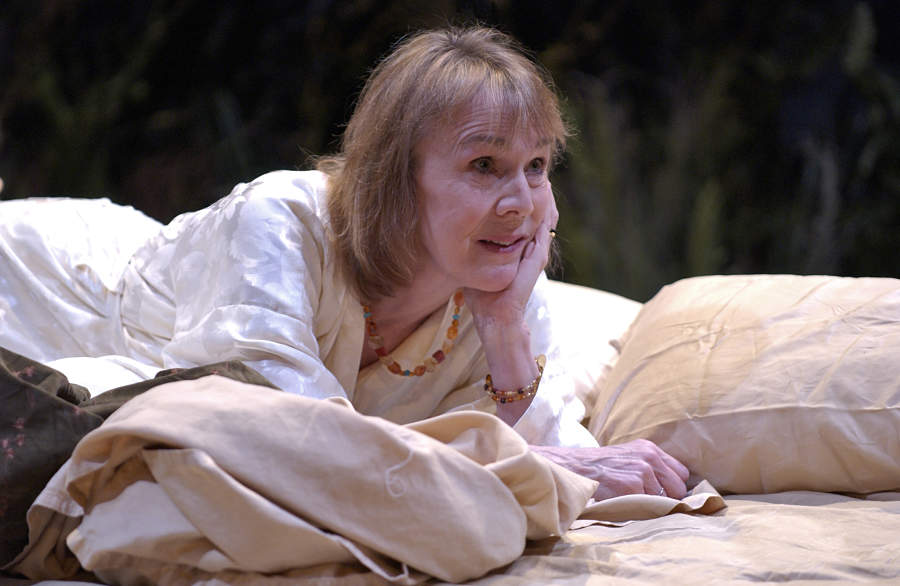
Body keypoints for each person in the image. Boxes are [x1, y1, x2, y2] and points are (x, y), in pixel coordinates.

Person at [0, 26, 687, 500]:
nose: (522, 203)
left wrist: (506, 331)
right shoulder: (278, 223)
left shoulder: (498, 280)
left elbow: (564, 452)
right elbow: (294, 438)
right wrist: (527, 465)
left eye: (536, 166)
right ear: (396, 175)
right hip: (47, 284)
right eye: (485, 164)